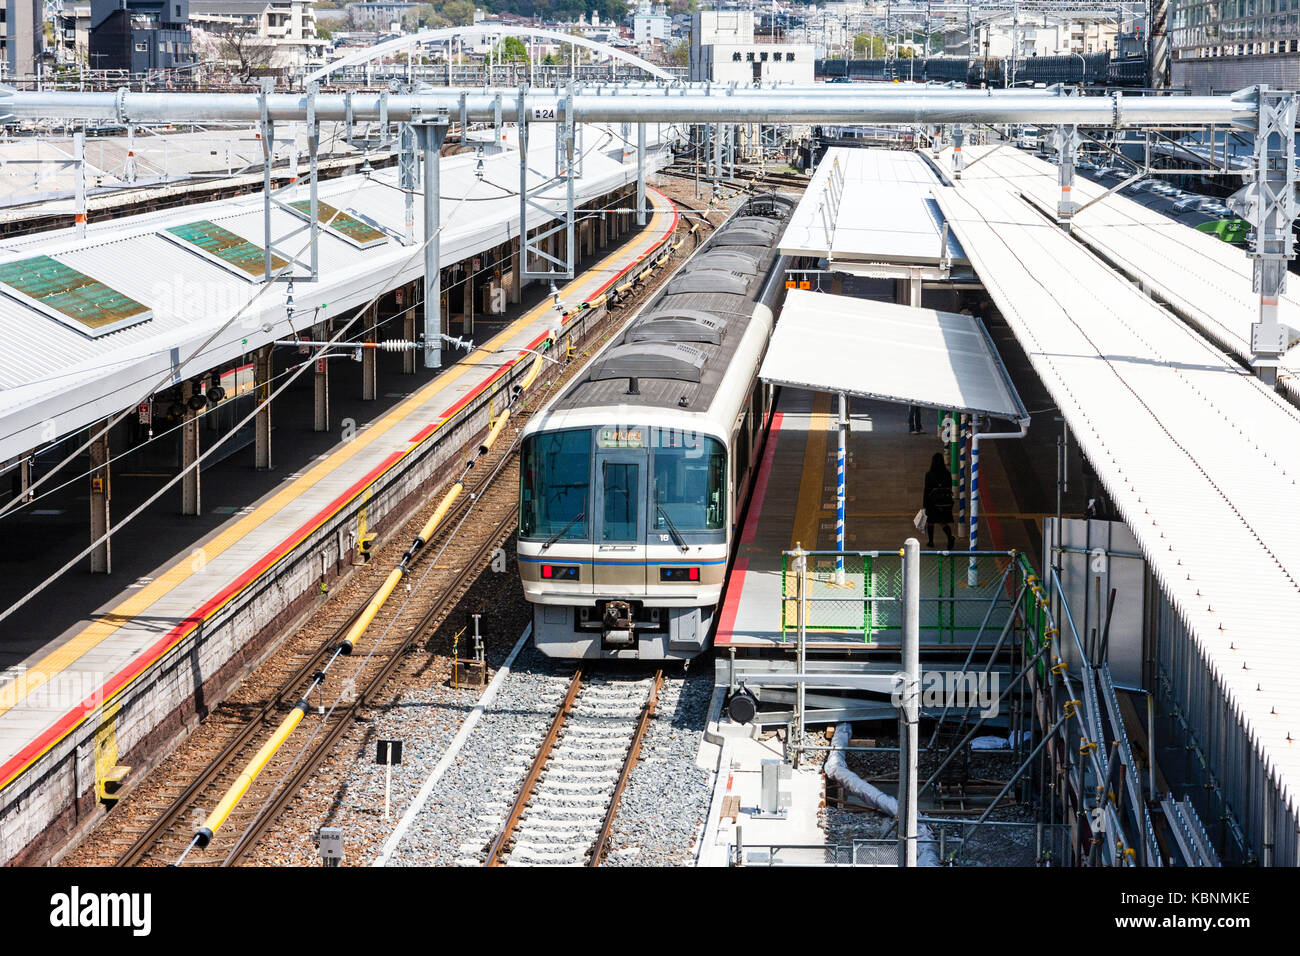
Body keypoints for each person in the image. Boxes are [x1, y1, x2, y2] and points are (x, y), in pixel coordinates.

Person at [923, 452, 956, 549]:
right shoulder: (947, 474)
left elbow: (926, 490)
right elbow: (950, 487)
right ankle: (950, 538)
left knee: (931, 522)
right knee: (943, 522)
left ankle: (931, 541)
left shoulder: (929, 475)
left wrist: (925, 504)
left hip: (932, 503)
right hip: (944, 503)